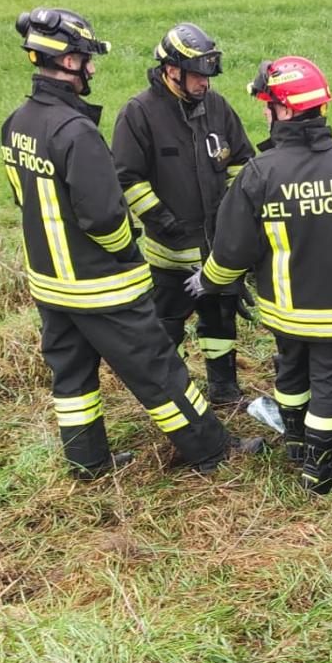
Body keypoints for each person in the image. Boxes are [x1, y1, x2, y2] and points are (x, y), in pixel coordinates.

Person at [0, 7, 259, 478]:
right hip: (100, 285)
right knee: (160, 371)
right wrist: (128, 252)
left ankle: (88, 462)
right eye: (86, 59)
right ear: (67, 60)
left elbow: (23, 197)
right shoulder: (76, 131)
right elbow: (105, 217)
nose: (92, 69)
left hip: (50, 283)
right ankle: (212, 451)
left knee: (73, 378)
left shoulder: (17, 123)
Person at [193, 57, 332, 495]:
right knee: (328, 392)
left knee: (291, 375)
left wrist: (208, 281)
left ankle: (296, 445)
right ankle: (319, 474)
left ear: (284, 110)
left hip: (284, 313)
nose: (265, 113)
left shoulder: (258, 175)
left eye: (268, 106)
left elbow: (232, 250)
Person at [112, 22, 254, 404]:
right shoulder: (139, 114)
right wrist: (166, 223)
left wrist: (232, 215)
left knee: (220, 322)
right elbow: (127, 179)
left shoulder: (217, 107)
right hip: (170, 257)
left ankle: (223, 389)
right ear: (172, 70)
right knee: (167, 328)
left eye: (208, 75)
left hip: (216, 251)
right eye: (197, 75)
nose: (204, 83)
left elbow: (242, 161)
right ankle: (175, 397)